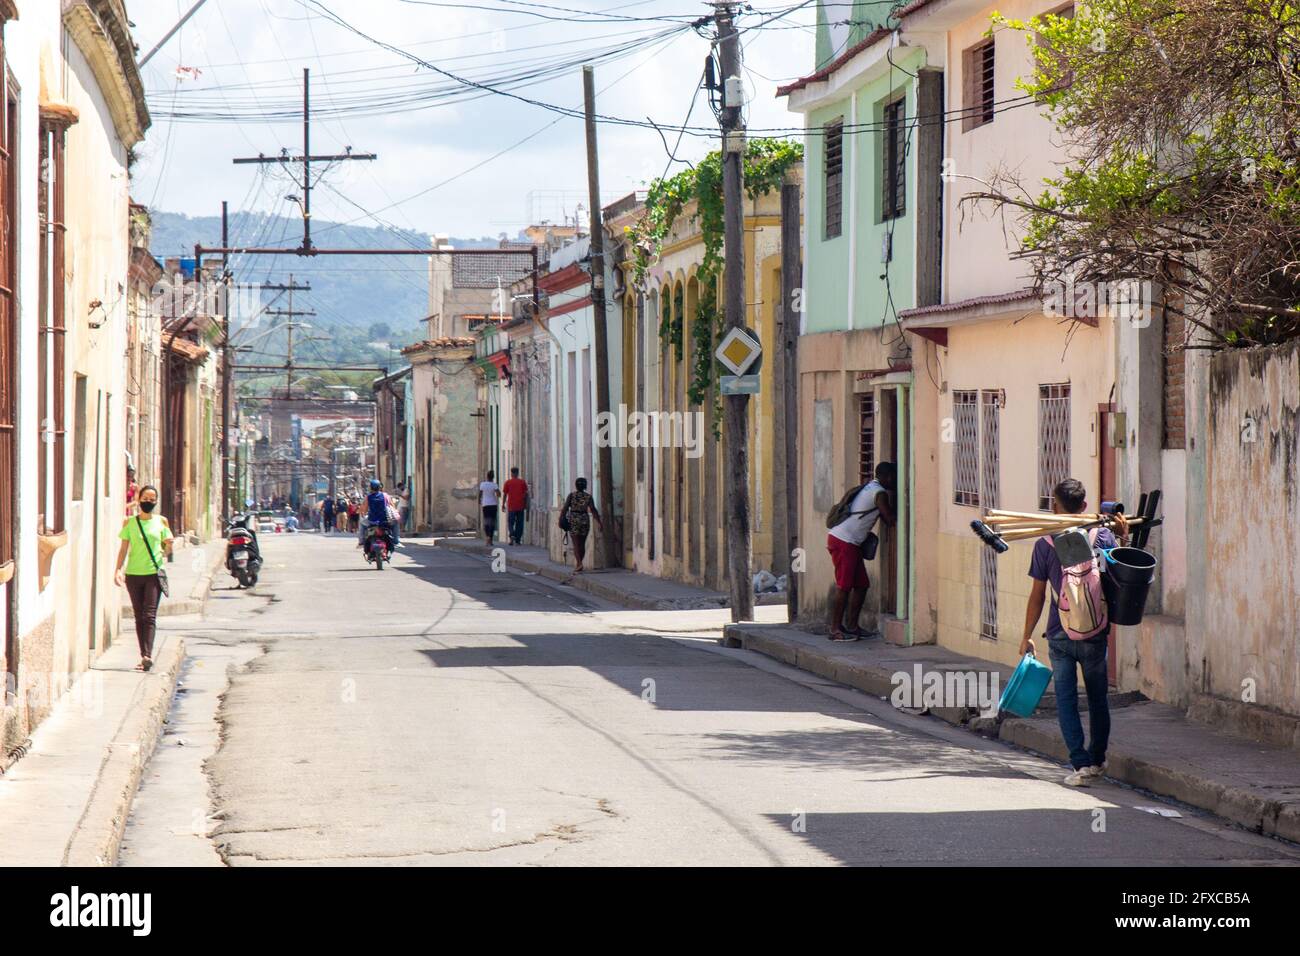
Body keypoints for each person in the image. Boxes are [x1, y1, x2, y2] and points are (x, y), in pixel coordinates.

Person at [1020, 477, 1128, 787]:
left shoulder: (1045, 543)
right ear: (1083, 507)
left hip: (1059, 633)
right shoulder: (1103, 537)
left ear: (1055, 507)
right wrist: (1123, 538)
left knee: (1066, 700)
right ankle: (1097, 760)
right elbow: (1119, 578)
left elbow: (1037, 595)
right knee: (1097, 699)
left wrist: (1026, 634)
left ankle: (1079, 763)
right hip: (1094, 632)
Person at [826, 461, 896, 642]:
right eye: (893, 478)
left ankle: (852, 626)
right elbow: (889, 518)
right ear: (887, 477)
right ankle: (834, 629)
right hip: (844, 541)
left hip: (849, 542)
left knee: (862, 585)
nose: (894, 481)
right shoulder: (879, 493)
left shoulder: (870, 486)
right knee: (845, 586)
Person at [113, 485, 174, 672]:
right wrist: (118, 570)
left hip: (154, 574)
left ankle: (147, 655)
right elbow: (124, 548)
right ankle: (143, 654)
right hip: (133, 575)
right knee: (139, 616)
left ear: (156, 501)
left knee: (149, 615)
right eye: (145, 498)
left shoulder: (161, 522)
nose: (149, 502)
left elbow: (168, 547)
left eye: (152, 499)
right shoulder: (129, 523)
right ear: (139, 499)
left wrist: (166, 549)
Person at [560, 477, 603, 573]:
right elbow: (593, 509)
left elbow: (565, 508)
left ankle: (579, 563)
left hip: (574, 519)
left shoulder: (571, 496)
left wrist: (561, 519)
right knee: (582, 543)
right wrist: (599, 522)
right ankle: (579, 563)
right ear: (585, 486)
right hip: (584, 520)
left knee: (576, 544)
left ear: (576, 485)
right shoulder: (588, 497)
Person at [358, 478, 400, 550]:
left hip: (372, 521)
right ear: (380, 487)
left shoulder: (368, 497)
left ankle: (361, 542)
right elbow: (393, 507)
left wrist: (363, 514)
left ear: (371, 487)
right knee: (395, 523)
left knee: (361, 523)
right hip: (385, 521)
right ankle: (396, 541)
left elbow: (364, 511)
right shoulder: (386, 496)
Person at [502, 467, 529, 546]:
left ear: (511, 473)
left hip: (511, 506)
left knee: (510, 522)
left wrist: (503, 504)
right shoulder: (522, 482)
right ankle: (518, 539)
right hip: (520, 506)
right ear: (517, 473)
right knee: (519, 523)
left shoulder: (508, 483)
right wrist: (526, 504)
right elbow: (526, 494)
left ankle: (512, 535)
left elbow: (505, 494)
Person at [479, 470, 501, 545]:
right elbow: (498, 494)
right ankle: (490, 538)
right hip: (493, 505)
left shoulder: (482, 484)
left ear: (487, 476)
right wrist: (497, 493)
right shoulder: (494, 485)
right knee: (492, 522)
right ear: (493, 477)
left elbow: (480, 494)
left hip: (485, 505)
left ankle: (487, 537)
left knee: (486, 521)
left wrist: (480, 501)